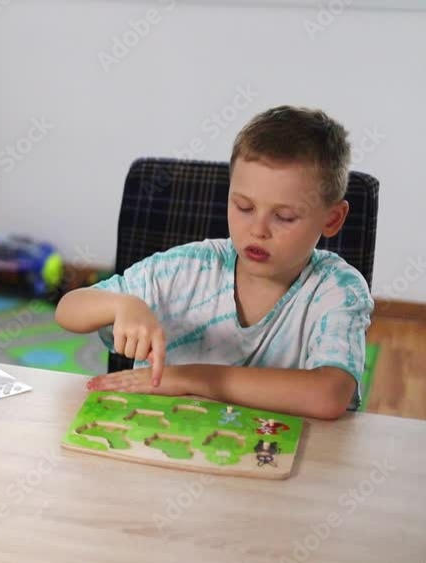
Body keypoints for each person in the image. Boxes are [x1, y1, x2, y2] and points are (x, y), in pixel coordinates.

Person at [56, 106, 372, 420]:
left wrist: (185, 379)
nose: (258, 230)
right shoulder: (189, 268)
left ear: (332, 219)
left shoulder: (337, 289)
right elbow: (68, 309)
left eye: (284, 217)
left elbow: (328, 394)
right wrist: (121, 305)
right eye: (244, 207)